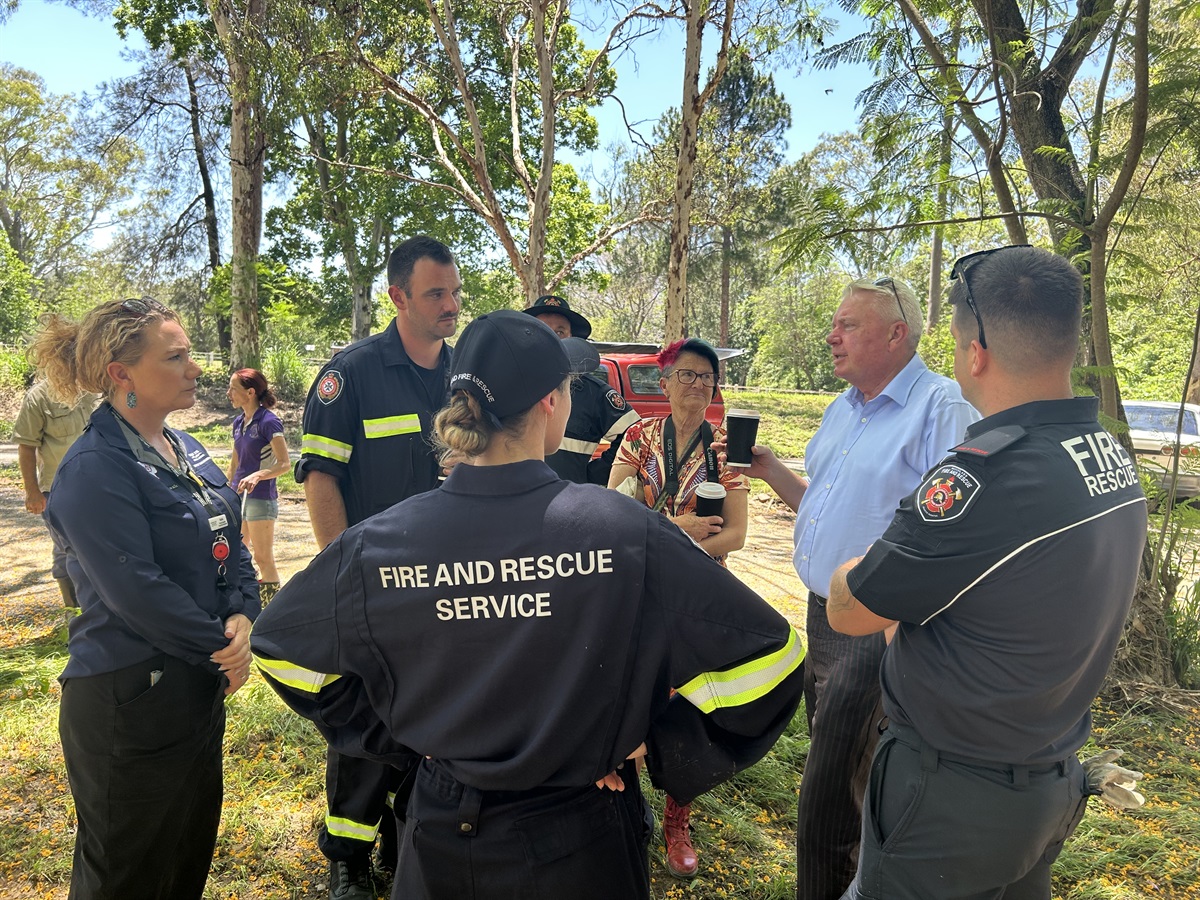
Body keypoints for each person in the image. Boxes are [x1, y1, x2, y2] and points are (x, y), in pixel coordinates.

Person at [251, 310, 806, 900]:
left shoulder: (381, 543)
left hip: (443, 838)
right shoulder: (624, 532)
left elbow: (281, 648)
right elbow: (774, 659)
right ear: (551, 400)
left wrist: (397, 732)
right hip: (584, 836)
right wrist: (659, 742)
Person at [826, 245, 1147, 898]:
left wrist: (857, 563)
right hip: (1045, 785)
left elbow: (851, 609)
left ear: (975, 353)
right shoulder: (1106, 454)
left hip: (950, 800)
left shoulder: (982, 476)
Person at [734, 278, 977, 900]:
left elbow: (955, 535)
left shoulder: (940, 407)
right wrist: (769, 471)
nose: (830, 335)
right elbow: (823, 505)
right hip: (823, 616)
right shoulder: (845, 405)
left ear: (897, 334)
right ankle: (861, 886)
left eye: (847, 325)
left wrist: (892, 620)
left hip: (880, 622)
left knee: (827, 792)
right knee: (848, 776)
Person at [33, 298, 259, 899]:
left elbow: (229, 536)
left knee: (186, 852)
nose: (195, 369)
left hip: (195, 683)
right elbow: (136, 589)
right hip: (127, 697)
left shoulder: (187, 449)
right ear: (121, 373)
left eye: (190, 355)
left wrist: (242, 611)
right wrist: (224, 646)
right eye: (176, 357)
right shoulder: (94, 468)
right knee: (126, 873)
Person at [295, 235, 460, 899]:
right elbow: (320, 477)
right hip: (374, 591)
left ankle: (411, 833)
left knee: (438, 718)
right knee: (363, 724)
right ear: (397, 297)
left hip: (447, 591)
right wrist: (342, 570)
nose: (451, 305)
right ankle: (348, 857)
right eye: (435, 294)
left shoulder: (465, 375)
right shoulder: (351, 373)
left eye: (453, 291)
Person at [606, 336, 751, 878]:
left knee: (684, 701)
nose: (696, 384)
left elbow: (734, 536)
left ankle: (677, 819)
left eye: (706, 377)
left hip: (696, 595)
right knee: (628, 689)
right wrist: (677, 528)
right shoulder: (639, 436)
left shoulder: (726, 449)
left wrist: (665, 536)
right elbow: (610, 507)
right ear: (662, 383)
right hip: (638, 587)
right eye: (686, 374)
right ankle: (622, 802)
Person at [521, 294, 639, 484]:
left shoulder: (594, 392)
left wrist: (591, 475)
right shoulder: (509, 381)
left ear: (572, 339)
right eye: (542, 329)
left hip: (564, 505)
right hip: (514, 500)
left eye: (560, 332)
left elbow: (636, 435)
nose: (551, 338)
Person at [13, 374, 95, 609]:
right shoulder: (39, 396)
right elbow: (27, 447)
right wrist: (32, 492)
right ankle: (74, 611)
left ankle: (103, 609)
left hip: (101, 486)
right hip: (59, 490)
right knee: (67, 549)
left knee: (101, 546)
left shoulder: (98, 387)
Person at [227, 367, 290, 603]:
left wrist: (258, 475)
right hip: (238, 498)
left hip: (261, 497)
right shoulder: (238, 423)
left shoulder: (269, 422)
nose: (229, 393)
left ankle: (273, 611)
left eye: (233, 388)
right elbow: (235, 464)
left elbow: (284, 464)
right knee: (237, 553)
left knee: (263, 558)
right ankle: (247, 603)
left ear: (250, 392)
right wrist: (225, 489)